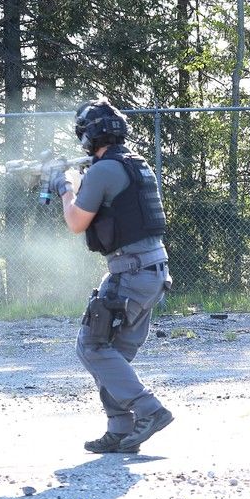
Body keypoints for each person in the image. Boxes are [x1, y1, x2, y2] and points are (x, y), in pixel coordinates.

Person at [48, 99, 173, 454]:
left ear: (88, 136)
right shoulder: (133, 163)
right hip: (151, 271)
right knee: (113, 352)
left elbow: (75, 223)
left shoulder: (103, 171)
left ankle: (149, 410)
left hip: (130, 272)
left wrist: (64, 187)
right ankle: (120, 430)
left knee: (91, 346)